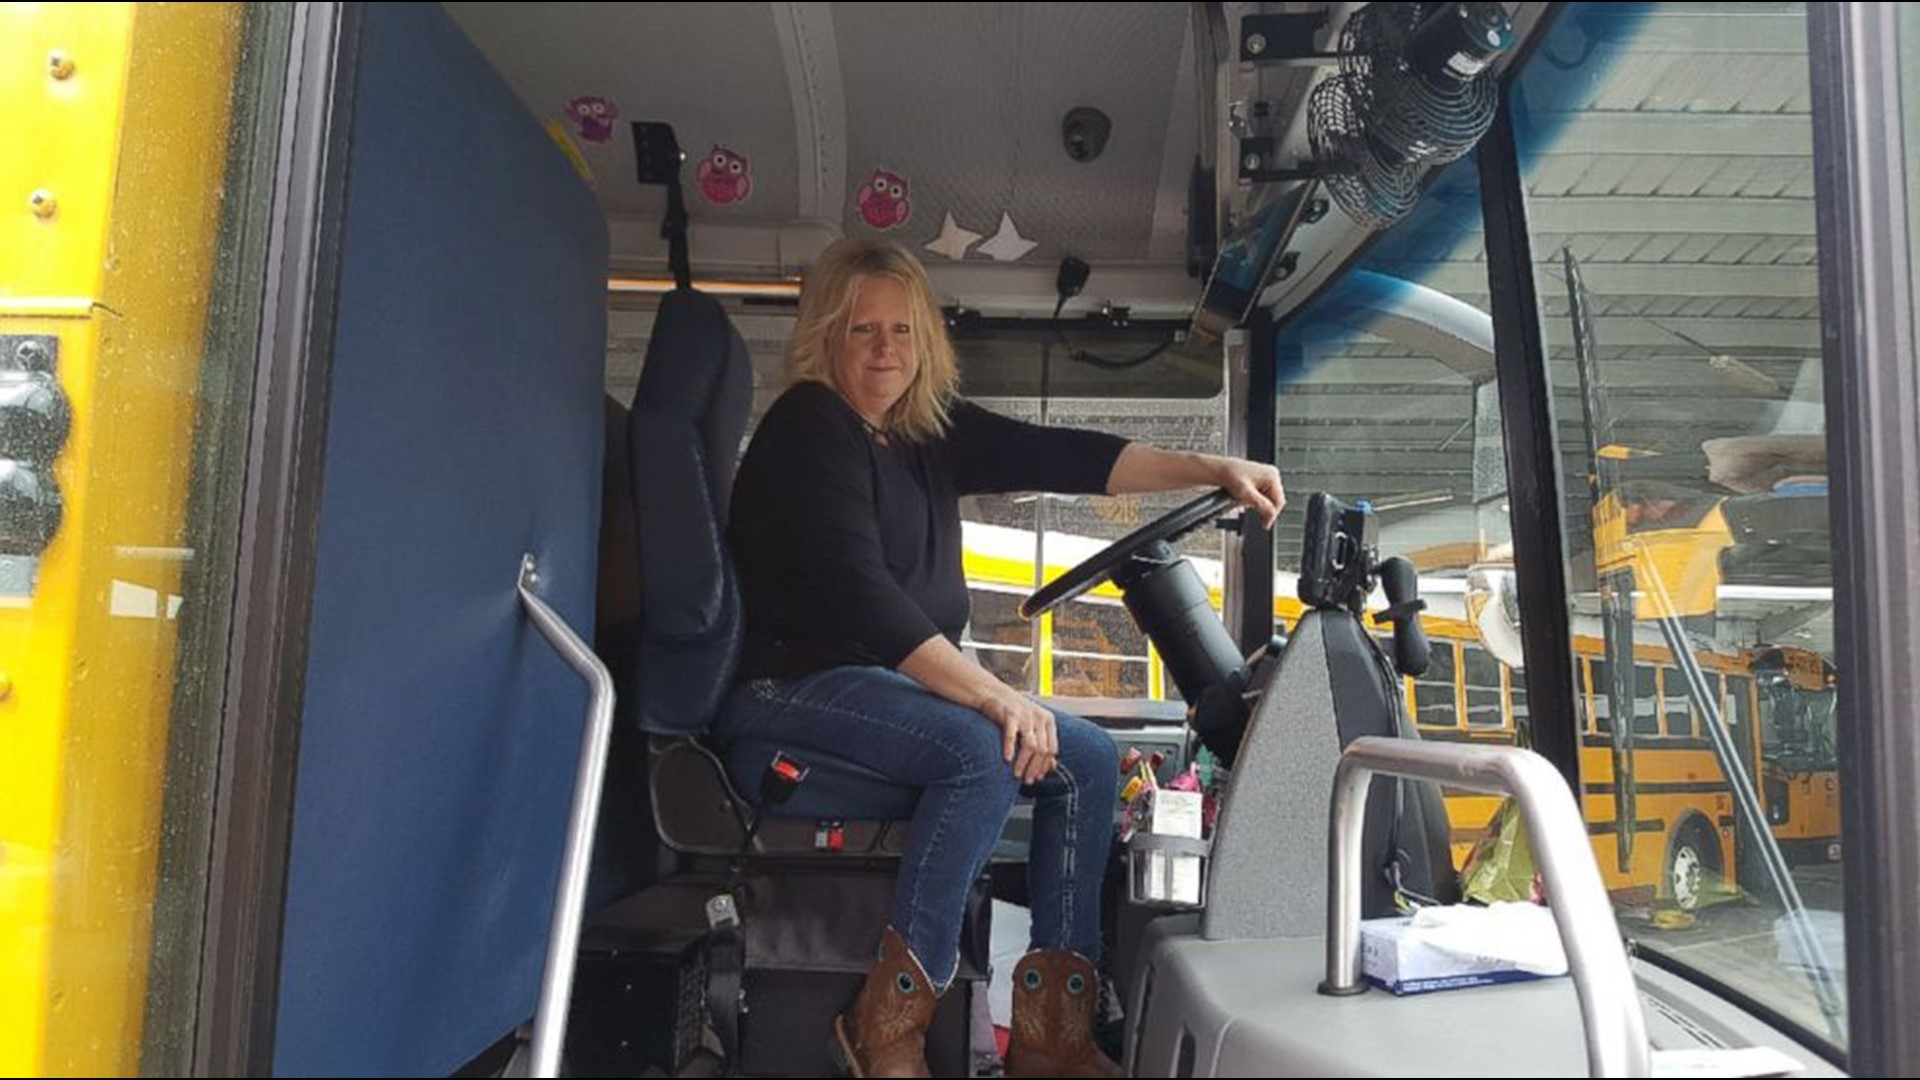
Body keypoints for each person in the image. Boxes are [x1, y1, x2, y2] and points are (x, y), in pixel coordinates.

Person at [717, 238, 1285, 1079]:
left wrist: (1211, 467)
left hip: (873, 683)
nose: (885, 351)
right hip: (789, 691)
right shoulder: (811, 427)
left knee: (1089, 758)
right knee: (979, 750)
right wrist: (992, 697)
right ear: (826, 338)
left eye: (903, 331)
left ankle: (1054, 1040)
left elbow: (1062, 456)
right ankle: (887, 1031)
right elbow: (864, 599)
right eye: (863, 329)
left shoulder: (919, 430)